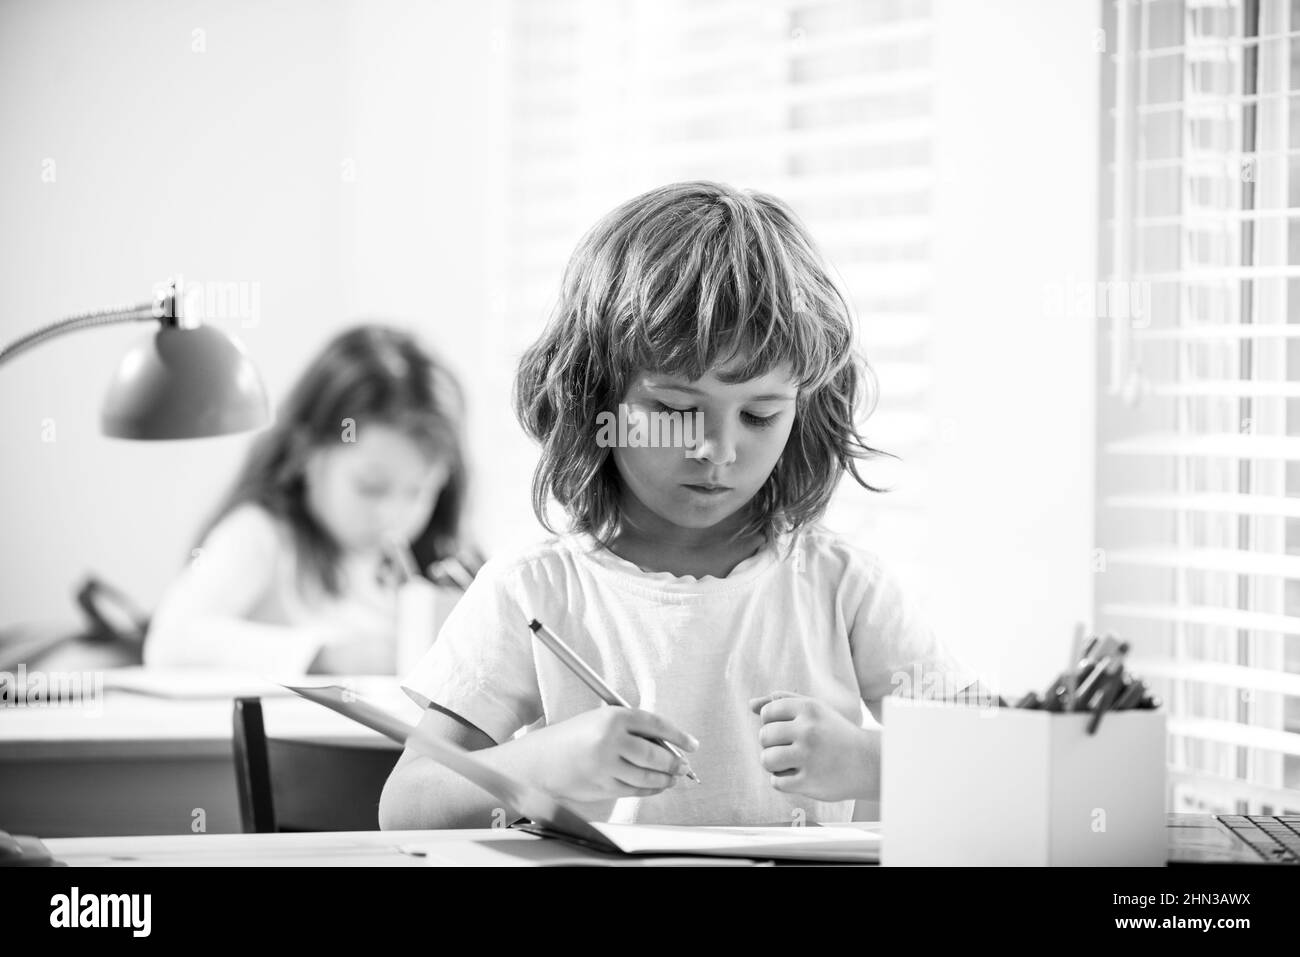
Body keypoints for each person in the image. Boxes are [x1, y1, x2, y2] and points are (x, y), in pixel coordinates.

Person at [380, 181, 984, 829]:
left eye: (759, 414)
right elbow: (407, 804)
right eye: (673, 410)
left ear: (802, 408)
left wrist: (873, 760)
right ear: (594, 398)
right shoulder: (535, 589)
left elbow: (998, 759)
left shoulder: (842, 587)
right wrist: (543, 762)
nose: (717, 451)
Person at [143, 324, 471, 675]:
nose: (393, 515)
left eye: (419, 491)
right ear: (307, 453)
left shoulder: (429, 568)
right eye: (370, 487)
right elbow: (170, 643)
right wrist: (327, 656)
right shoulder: (262, 534)